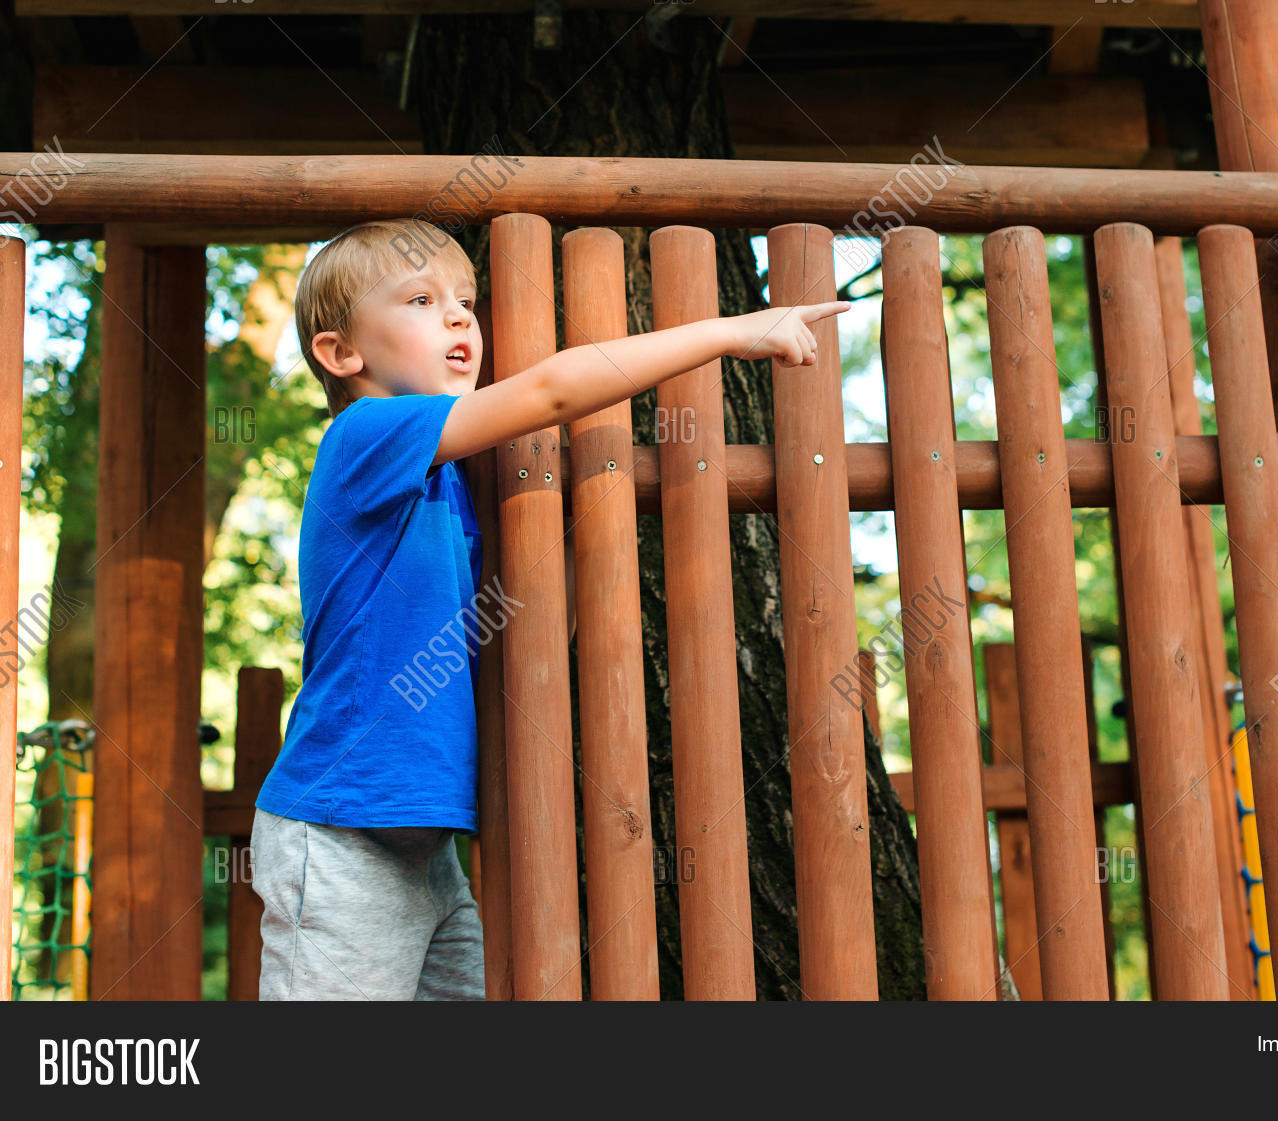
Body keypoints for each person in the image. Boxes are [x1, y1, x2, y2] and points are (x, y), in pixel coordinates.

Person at [249, 216, 848, 999]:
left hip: (425, 848)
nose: (461, 317)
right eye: (422, 299)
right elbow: (550, 389)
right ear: (341, 354)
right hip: (339, 830)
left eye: (465, 300)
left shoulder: (443, 485)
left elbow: (509, 624)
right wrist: (730, 331)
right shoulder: (364, 437)